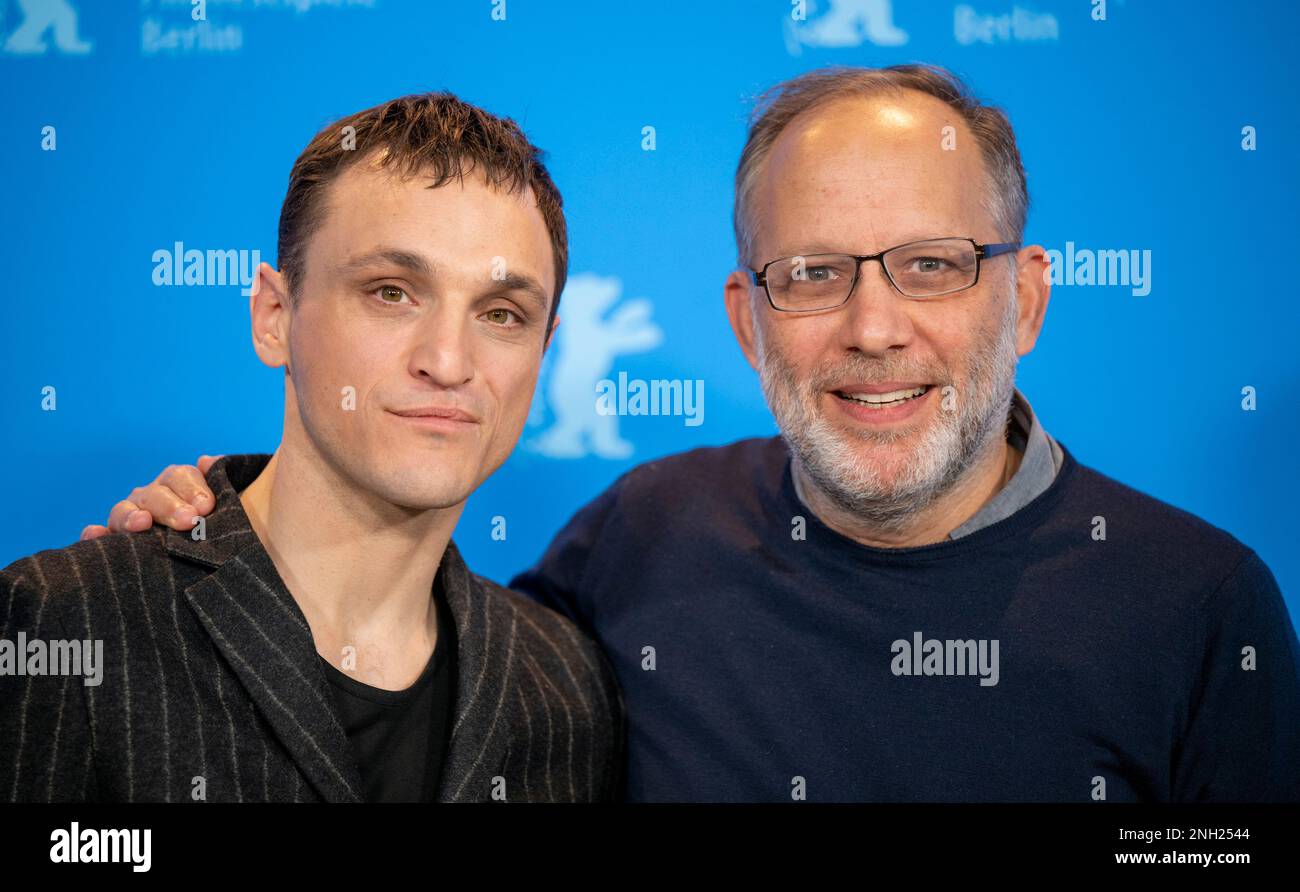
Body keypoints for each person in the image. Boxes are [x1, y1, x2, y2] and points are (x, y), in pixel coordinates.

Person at [80, 65, 1300, 802]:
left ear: (1024, 296)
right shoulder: (640, 537)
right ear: (746, 319)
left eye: (932, 266)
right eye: (812, 273)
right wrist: (211, 528)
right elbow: (384, 632)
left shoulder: (1199, 609)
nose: (873, 328)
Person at [1, 92, 624, 803]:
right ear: (274, 317)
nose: (448, 360)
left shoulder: (567, 691)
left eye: (502, 314)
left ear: (543, 351)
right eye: (391, 292)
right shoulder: (68, 620)